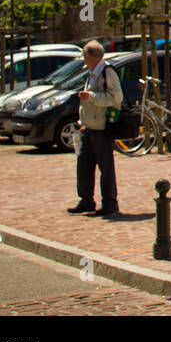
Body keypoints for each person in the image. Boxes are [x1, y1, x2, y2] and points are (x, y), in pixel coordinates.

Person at [68, 41, 123, 217]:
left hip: (101, 126)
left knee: (105, 166)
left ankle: (110, 203)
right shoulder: (92, 72)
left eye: (86, 56)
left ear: (92, 56)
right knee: (83, 164)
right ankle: (86, 200)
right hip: (88, 125)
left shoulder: (107, 72)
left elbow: (116, 97)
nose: (84, 59)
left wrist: (90, 97)